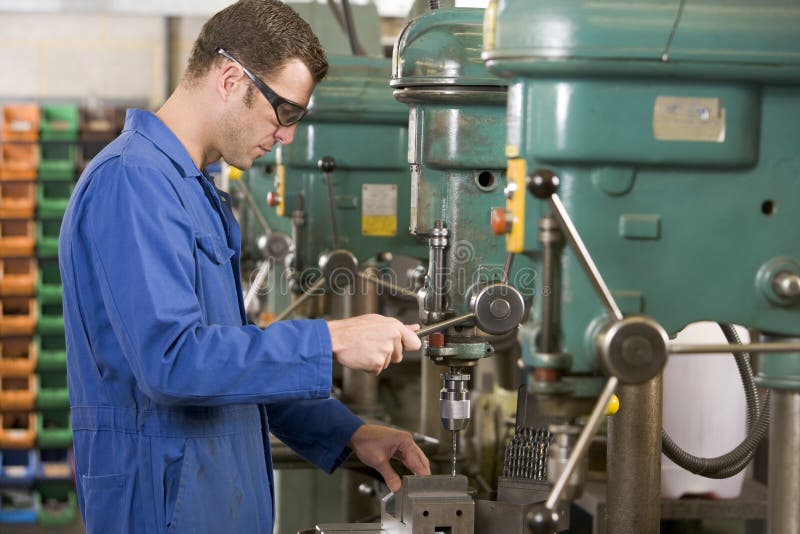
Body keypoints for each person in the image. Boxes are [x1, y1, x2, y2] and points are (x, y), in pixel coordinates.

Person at [58, 1, 429, 532]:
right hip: (162, 505)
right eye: (286, 111)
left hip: (212, 499)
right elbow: (174, 362)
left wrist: (347, 433)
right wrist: (329, 339)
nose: (287, 136)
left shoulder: (194, 190)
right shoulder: (132, 182)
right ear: (231, 79)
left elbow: (231, 364)